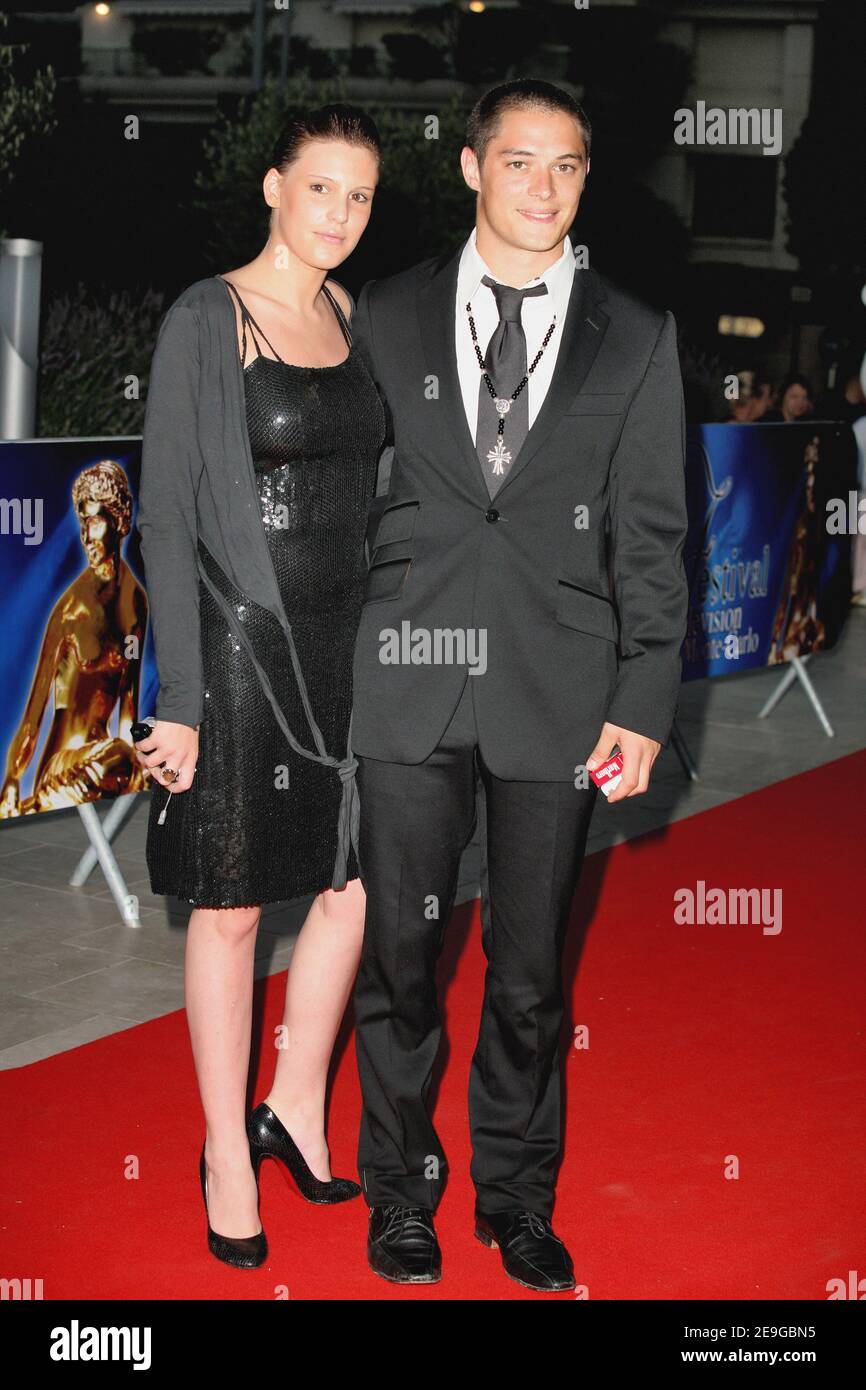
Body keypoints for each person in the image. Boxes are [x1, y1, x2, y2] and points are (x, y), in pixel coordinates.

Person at [349, 79, 689, 1290]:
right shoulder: (382, 314)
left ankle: (516, 1196)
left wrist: (645, 698)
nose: (542, 189)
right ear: (469, 170)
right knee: (402, 956)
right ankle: (397, 1192)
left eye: (565, 167)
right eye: (518, 163)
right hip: (406, 678)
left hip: (559, 688)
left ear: (584, 180)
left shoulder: (637, 335)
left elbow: (651, 533)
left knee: (532, 970)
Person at [136, 104, 386, 1268]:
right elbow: (170, 509)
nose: (339, 214)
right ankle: (223, 1152)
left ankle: (291, 1103)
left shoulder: (348, 313)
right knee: (231, 903)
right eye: (320, 188)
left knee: (350, 887)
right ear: (274, 188)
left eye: (360, 195)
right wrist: (178, 699)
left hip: (348, 645)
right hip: (242, 646)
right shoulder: (209, 315)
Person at [0, 460, 147, 816]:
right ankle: (41, 798)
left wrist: (138, 764)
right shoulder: (69, 613)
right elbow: (33, 716)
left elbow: (129, 707)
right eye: (83, 521)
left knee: (136, 755)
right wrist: (11, 783)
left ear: (120, 521)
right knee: (124, 757)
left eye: (95, 520)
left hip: (109, 759)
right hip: (62, 766)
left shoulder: (135, 601)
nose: (86, 534)